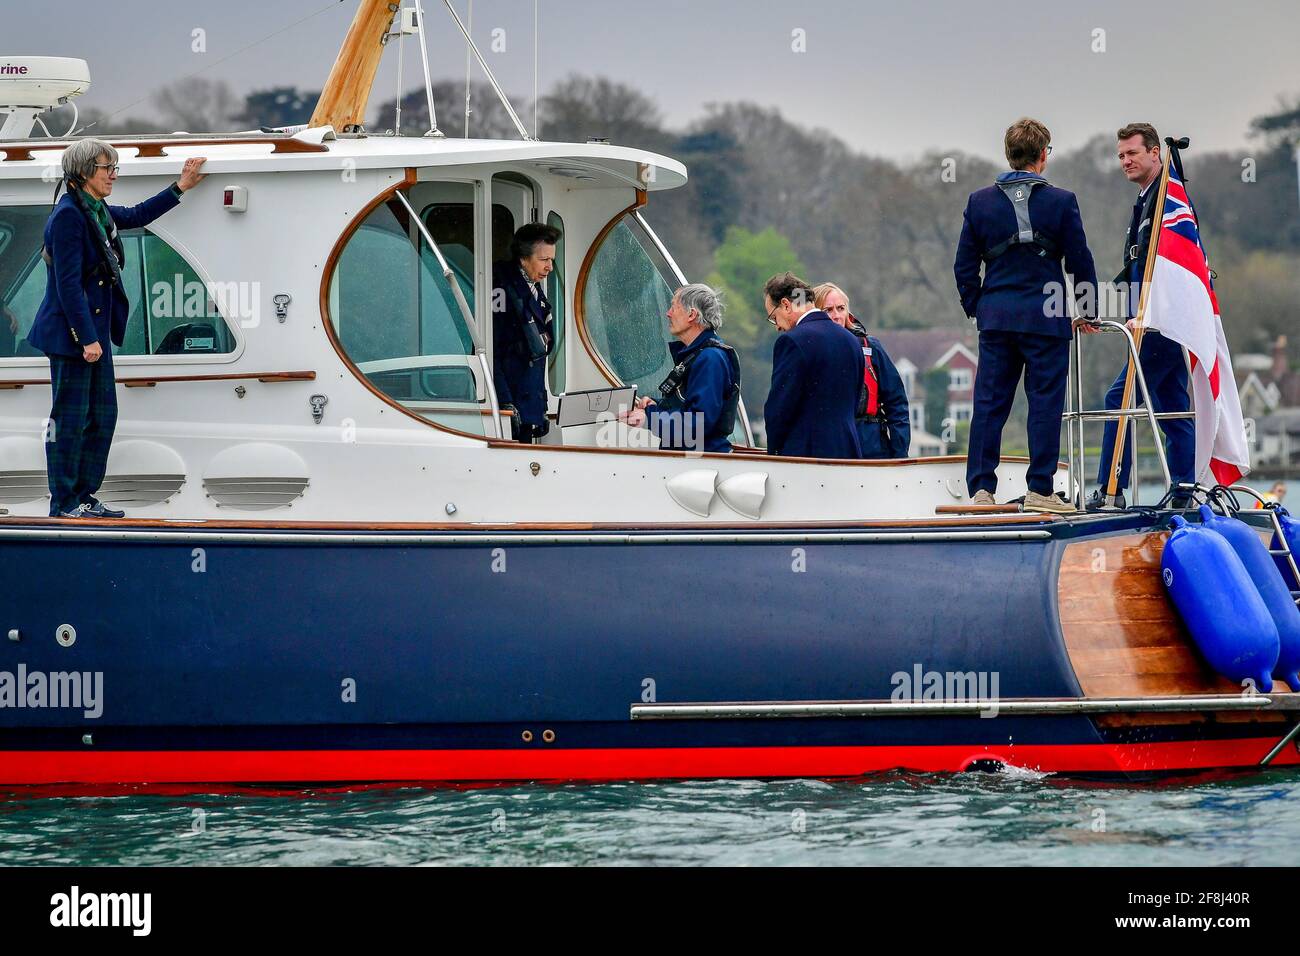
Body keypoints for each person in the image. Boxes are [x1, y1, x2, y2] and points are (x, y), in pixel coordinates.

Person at [28, 140, 207, 519]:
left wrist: (181, 187)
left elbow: (137, 214)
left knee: (103, 415)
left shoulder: (96, 210)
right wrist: (87, 338)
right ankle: (63, 504)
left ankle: (85, 496)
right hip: (73, 337)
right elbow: (68, 284)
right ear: (81, 172)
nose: (112, 174)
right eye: (105, 167)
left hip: (93, 335)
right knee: (69, 420)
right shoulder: (68, 216)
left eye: (115, 168)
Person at [953, 117, 1097, 514]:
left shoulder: (978, 202)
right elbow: (1080, 260)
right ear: (1043, 156)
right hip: (1047, 317)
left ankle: (981, 490)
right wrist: (1088, 311)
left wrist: (977, 307)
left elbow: (964, 266)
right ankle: (1040, 489)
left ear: (1008, 154)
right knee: (1045, 404)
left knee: (989, 404)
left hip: (997, 318)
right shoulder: (1062, 201)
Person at [1083, 123, 1195, 510]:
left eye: (1132, 153)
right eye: (1120, 155)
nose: (1125, 161)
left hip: (1161, 323)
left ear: (1154, 153)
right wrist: (1091, 307)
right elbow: (1135, 268)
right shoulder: (1146, 199)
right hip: (1146, 320)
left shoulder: (1168, 201)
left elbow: (1170, 265)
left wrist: (1148, 314)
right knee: (1172, 407)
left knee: (1121, 398)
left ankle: (1111, 490)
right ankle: (1185, 493)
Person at [623, 283, 741, 453]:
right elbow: (689, 408)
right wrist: (656, 406)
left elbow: (698, 424)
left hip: (699, 462)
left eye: (673, 307)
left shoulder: (710, 358)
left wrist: (649, 417)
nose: (668, 313)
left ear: (692, 314)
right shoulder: (701, 355)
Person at [762, 272, 863, 459]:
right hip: (849, 451)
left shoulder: (792, 341)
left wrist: (774, 453)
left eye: (773, 317)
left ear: (785, 304)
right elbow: (854, 401)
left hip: (807, 456)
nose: (776, 326)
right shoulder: (851, 340)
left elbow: (780, 409)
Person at [813, 282, 910, 459]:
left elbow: (897, 404)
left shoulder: (871, 348)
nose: (836, 316)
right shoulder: (806, 351)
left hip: (871, 445)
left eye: (840, 308)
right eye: (828, 310)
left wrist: (900, 454)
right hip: (829, 447)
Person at [492, 223, 560, 443]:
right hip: (509, 406)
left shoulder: (533, 289)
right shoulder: (502, 289)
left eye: (551, 259)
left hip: (529, 406)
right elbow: (491, 351)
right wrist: (505, 403)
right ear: (523, 258)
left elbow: (539, 355)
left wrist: (541, 408)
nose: (550, 267)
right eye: (544, 260)